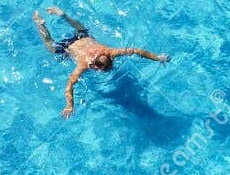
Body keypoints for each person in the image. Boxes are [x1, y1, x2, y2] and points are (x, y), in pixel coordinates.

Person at [32, 7, 169, 117]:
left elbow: (136, 51)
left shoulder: (108, 52)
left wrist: (158, 58)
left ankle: (63, 16)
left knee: (81, 29)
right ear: (95, 67)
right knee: (50, 45)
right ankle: (41, 23)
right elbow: (69, 85)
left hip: (80, 38)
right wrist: (69, 105)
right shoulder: (85, 63)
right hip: (68, 47)